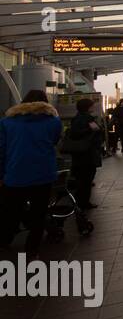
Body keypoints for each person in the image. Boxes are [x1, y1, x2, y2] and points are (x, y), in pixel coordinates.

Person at [0, 90, 65, 253]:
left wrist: (1, 173)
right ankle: (32, 248)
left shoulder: (7, 122)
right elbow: (55, 141)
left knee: (11, 211)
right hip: (43, 173)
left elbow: (1, 150)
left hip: (14, 173)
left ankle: (4, 240)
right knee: (39, 212)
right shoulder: (54, 122)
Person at [64, 98, 104, 235]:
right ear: (88, 107)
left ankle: (83, 201)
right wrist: (91, 129)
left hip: (81, 154)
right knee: (86, 178)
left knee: (84, 178)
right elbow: (92, 133)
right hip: (86, 153)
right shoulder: (86, 119)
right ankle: (82, 202)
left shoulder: (78, 118)